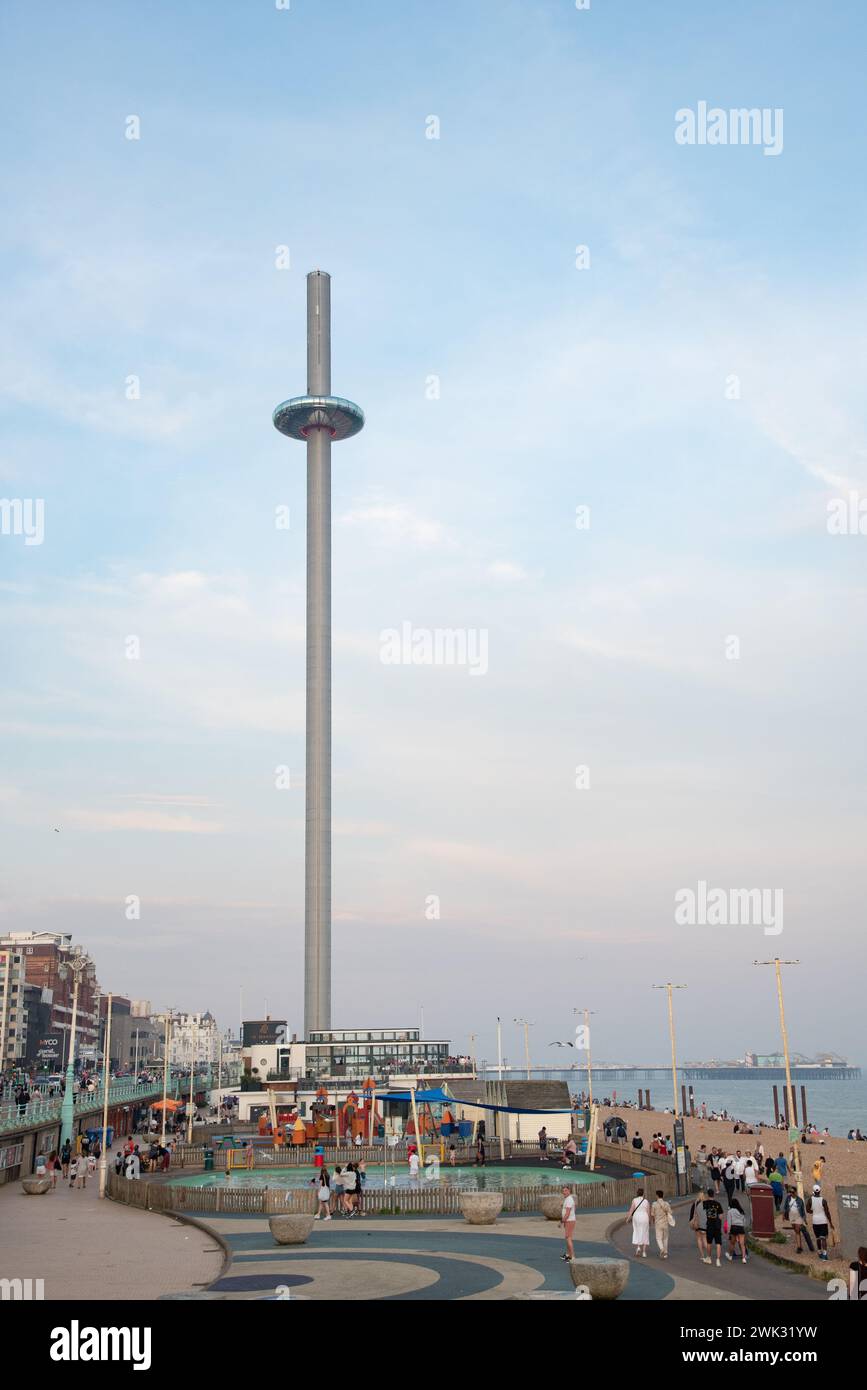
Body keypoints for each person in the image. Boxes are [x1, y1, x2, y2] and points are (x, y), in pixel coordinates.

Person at [809, 1185, 834, 1261]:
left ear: (813, 1191)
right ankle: (825, 1255)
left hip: (815, 1221)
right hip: (823, 1221)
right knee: (823, 1238)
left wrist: (813, 1211)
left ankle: (819, 1252)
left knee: (818, 1238)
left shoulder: (810, 1200)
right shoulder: (823, 1200)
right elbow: (827, 1212)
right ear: (819, 1191)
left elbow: (807, 1210)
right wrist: (831, 1223)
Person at [785, 1188, 813, 1254]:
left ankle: (799, 1247)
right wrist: (784, 1214)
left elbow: (803, 1211)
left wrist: (804, 1219)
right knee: (796, 1231)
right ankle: (799, 1246)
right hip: (791, 1215)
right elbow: (785, 1206)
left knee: (797, 1229)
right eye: (790, 1192)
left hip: (798, 1216)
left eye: (792, 1192)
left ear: (795, 1192)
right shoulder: (788, 1198)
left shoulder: (800, 1200)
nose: (791, 1193)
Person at [703, 1189, 725, 1267]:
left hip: (709, 1225)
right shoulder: (718, 1204)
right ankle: (718, 1260)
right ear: (713, 1195)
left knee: (709, 1242)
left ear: (707, 1195)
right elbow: (721, 1216)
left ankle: (709, 1258)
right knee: (718, 1243)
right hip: (717, 1226)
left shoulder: (705, 1203)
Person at [627, 1188, 651, 1258]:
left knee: (637, 1231)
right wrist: (650, 1220)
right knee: (645, 1233)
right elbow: (648, 1211)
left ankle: (638, 1247)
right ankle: (644, 1252)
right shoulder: (646, 1201)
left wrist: (628, 1218)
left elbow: (631, 1210)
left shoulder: (634, 1200)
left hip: (636, 1217)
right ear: (643, 1193)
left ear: (637, 1193)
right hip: (644, 1217)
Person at [651, 1190, 673, 1259]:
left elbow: (652, 1214)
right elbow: (670, 1212)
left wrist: (653, 1221)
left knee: (658, 1238)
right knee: (665, 1238)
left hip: (658, 1223)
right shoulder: (666, 1203)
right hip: (665, 1223)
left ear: (657, 1196)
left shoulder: (654, 1204)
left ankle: (661, 1249)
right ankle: (665, 1253)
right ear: (662, 1196)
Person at [725, 1198, 748, 1263]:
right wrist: (742, 1227)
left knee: (732, 1243)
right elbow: (744, 1221)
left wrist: (729, 1231)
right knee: (742, 1243)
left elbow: (729, 1222)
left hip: (733, 1227)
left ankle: (730, 1256)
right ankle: (743, 1258)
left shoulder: (730, 1211)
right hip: (740, 1227)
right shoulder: (741, 1211)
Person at [560, 1185, 576, 1261]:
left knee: (568, 1238)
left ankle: (572, 1257)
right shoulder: (567, 1199)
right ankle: (568, 1254)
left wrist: (561, 1222)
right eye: (563, 1191)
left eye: (566, 1191)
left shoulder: (569, 1200)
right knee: (567, 1238)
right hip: (568, 1220)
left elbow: (568, 1213)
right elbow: (573, 1209)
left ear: (569, 1191)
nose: (564, 1192)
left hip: (569, 1221)